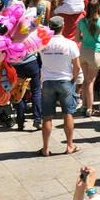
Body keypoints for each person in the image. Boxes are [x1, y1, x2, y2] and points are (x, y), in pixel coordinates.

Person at [39, 16, 81, 156]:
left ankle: (45, 148)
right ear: (63, 27)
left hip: (48, 81)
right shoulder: (70, 44)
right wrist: (73, 80)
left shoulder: (43, 43)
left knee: (47, 116)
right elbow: (77, 66)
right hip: (65, 81)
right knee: (68, 113)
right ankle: (69, 145)